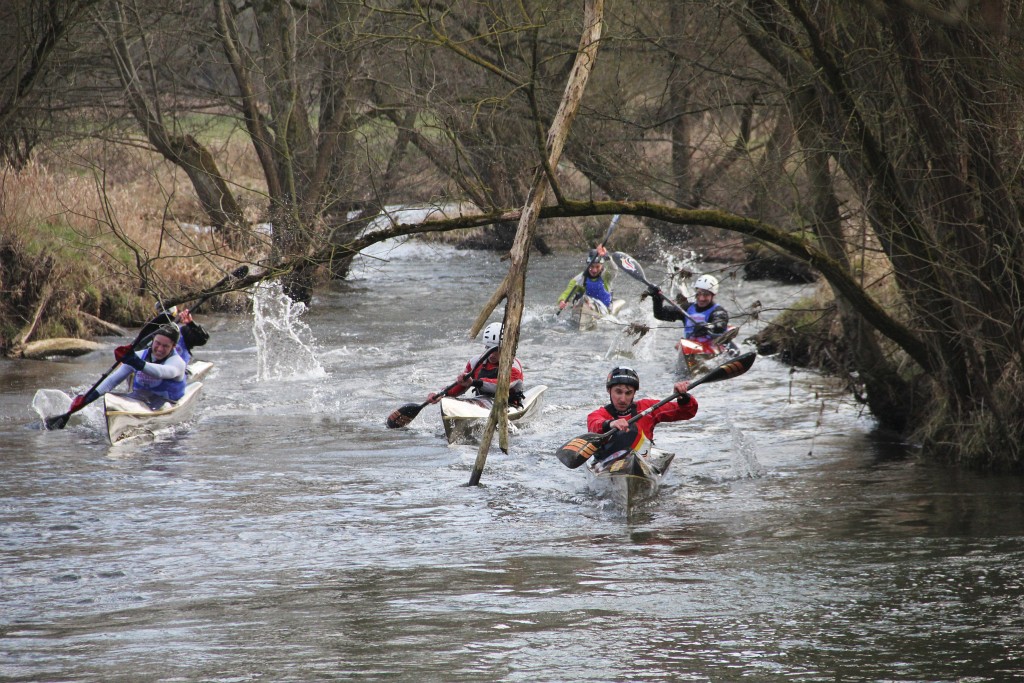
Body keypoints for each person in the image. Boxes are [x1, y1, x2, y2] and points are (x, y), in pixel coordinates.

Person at [68, 324, 188, 412]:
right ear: (152, 340)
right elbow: (112, 381)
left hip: (167, 405)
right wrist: (88, 397)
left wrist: (136, 362)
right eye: (157, 343)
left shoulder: (177, 363)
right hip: (141, 401)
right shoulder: (140, 355)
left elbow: (161, 372)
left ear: (173, 347)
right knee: (112, 398)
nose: (160, 349)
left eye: (166, 346)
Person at [587, 366, 697, 461]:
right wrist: (611, 423)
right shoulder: (599, 414)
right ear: (609, 390)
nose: (623, 399)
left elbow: (687, 412)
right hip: (609, 461)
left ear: (634, 393)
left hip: (642, 459)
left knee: (633, 430)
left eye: (628, 393)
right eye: (618, 392)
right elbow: (594, 424)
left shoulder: (647, 408)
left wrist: (683, 398)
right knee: (628, 432)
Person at [427, 322, 526, 406]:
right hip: (482, 403)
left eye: (497, 350)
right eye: (488, 348)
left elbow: (501, 385)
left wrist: (474, 382)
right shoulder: (475, 362)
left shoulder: (514, 366)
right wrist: (440, 394)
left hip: (509, 405)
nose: (491, 355)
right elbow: (460, 386)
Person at [648, 274, 729, 343]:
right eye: (699, 294)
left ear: (713, 295)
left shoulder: (718, 311)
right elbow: (660, 314)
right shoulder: (687, 309)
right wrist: (657, 299)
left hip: (712, 348)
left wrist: (708, 326)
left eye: (706, 295)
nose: (701, 298)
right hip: (692, 350)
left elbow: (720, 325)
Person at [557, 245, 617, 313]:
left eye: (597, 267)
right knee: (583, 298)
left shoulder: (606, 276)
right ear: (588, 264)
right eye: (591, 266)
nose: (594, 270)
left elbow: (613, 269)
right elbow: (567, 293)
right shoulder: (579, 279)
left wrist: (606, 256)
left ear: (602, 265)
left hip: (604, 307)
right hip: (587, 305)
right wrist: (562, 300)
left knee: (587, 299)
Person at [140, 305, 210, 363]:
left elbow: (203, 339)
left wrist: (191, 324)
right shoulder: (151, 332)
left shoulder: (183, 332)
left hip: (178, 371)